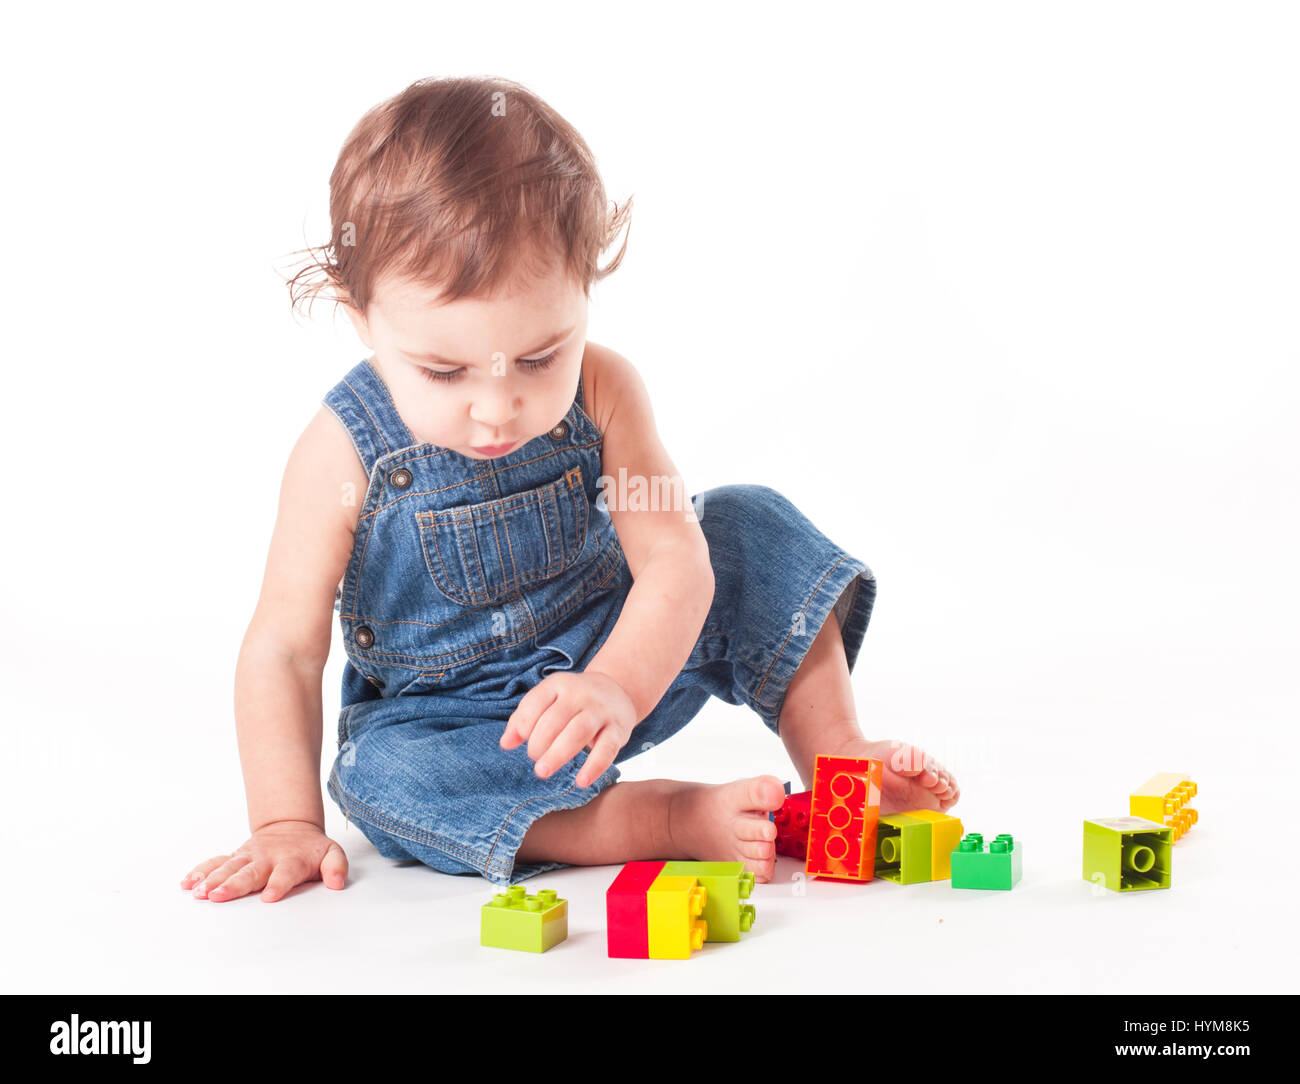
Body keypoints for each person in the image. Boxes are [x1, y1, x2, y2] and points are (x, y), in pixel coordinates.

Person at [181, 75, 959, 904]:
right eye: (444, 371)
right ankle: (661, 822)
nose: (496, 407)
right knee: (380, 774)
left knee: (742, 525)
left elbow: (676, 563)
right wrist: (284, 824)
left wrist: (615, 686)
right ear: (359, 315)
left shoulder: (607, 390)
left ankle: (839, 757)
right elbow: (285, 650)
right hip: (466, 727)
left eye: (540, 357)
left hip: (625, 660)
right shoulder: (340, 454)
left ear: (586, 290)